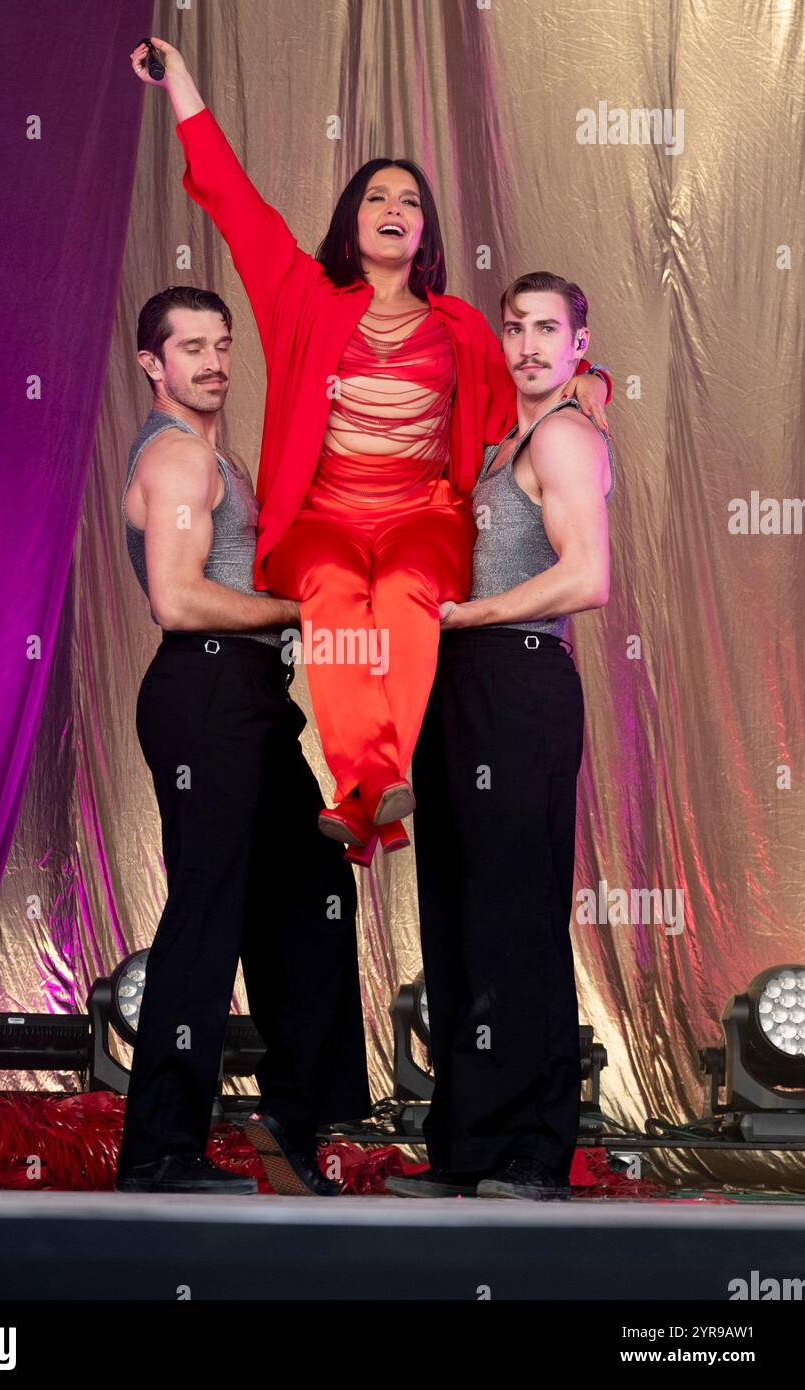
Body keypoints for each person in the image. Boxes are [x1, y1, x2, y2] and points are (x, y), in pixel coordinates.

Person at [129, 38, 611, 866]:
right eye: (377, 196)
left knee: (407, 591)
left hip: (421, 511)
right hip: (325, 515)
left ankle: (365, 800)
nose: (395, 205)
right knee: (326, 592)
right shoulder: (302, 300)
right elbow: (235, 202)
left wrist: (593, 380)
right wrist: (181, 87)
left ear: (423, 232)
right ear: (353, 222)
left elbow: (536, 379)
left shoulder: (461, 324)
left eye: (411, 200)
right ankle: (374, 782)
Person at [115, 284, 371, 1197]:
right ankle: (159, 1151)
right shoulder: (181, 461)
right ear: (153, 364)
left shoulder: (223, 463)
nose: (214, 363)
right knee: (208, 913)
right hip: (206, 691)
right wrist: (307, 610)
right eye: (192, 349)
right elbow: (178, 601)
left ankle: (289, 1120)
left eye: (223, 346)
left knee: (310, 895)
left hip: (253, 699)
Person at [386, 272, 615, 1201]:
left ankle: (535, 1149)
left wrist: (472, 614)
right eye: (514, 327)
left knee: (516, 921)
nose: (524, 344)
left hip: (519, 674)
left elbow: (589, 576)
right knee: (460, 920)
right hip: (466, 680)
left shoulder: (562, 433)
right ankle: (467, 1148)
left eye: (545, 329)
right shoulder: (499, 446)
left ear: (577, 342)